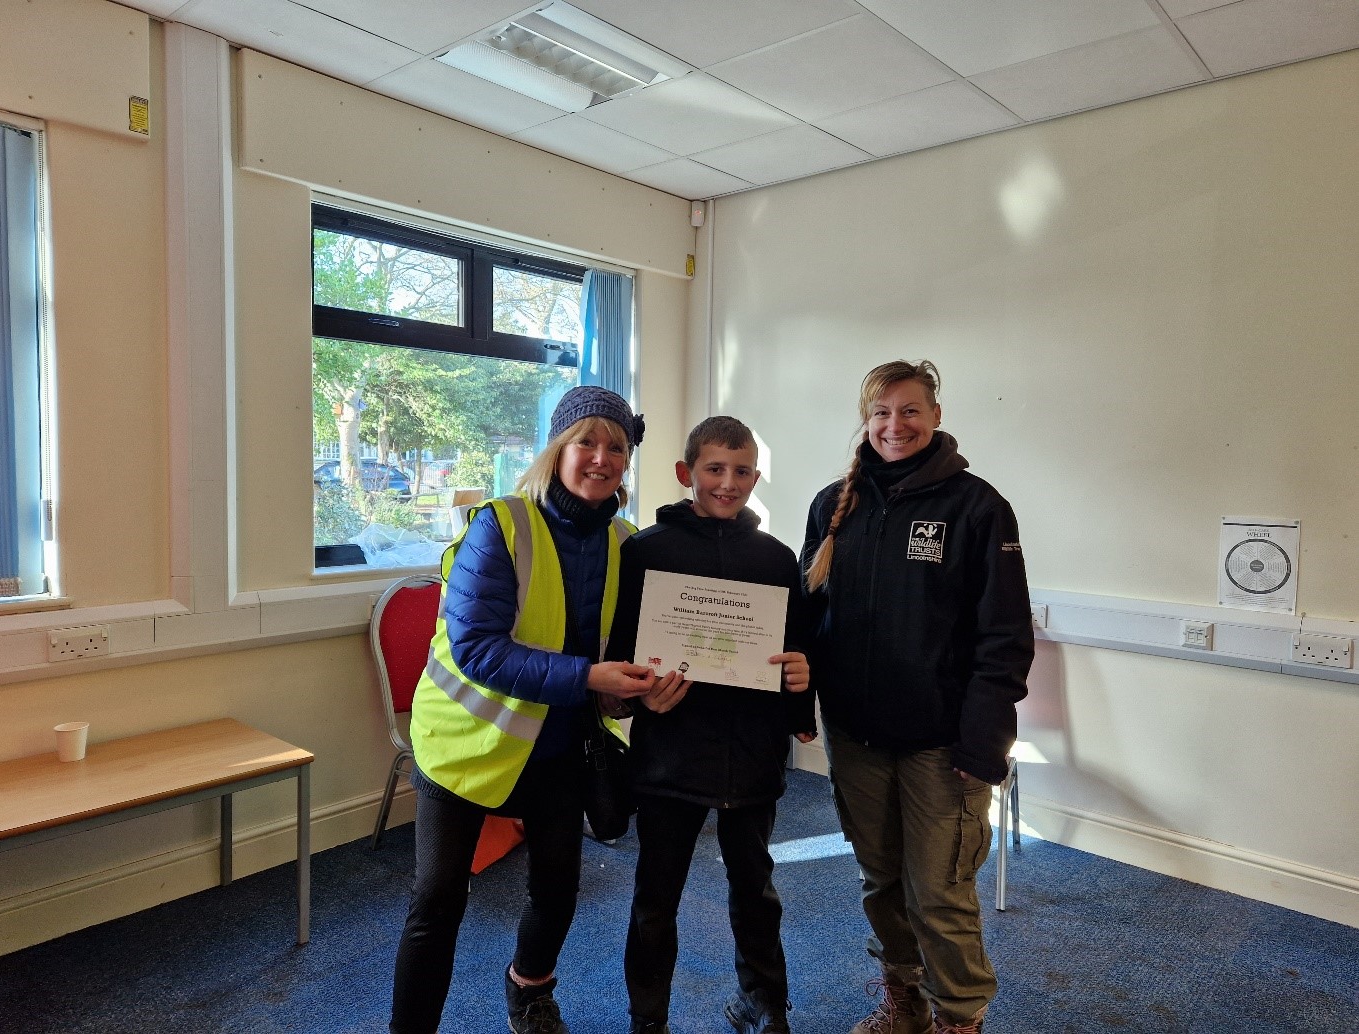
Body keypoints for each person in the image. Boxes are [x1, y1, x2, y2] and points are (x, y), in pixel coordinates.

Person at [390, 385, 676, 1034]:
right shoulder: (501, 525)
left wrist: (630, 690)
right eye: (585, 442)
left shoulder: (627, 543)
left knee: (556, 889)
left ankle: (529, 988)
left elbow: (620, 651)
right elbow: (477, 650)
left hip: (559, 748)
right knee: (436, 905)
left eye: (616, 447)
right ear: (556, 450)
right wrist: (591, 676)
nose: (600, 458)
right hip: (462, 744)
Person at [800, 361, 1034, 1034]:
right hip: (856, 735)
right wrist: (797, 704)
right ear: (865, 419)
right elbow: (807, 617)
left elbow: (1004, 636)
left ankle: (959, 1018)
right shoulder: (833, 504)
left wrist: (984, 741)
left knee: (938, 892)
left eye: (909, 410)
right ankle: (903, 1004)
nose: (894, 425)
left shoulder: (976, 507)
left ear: (935, 416)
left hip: (943, 743)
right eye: (880, 411)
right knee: (880, 880)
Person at [607, 416, 816, 1034]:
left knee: (756, 891)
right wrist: (641, 699)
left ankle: (766, 1005)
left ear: (756, 476)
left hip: (752, 753)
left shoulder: (777, 559)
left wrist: (801, 695)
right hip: (670, 754)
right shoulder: (645, 552)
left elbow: (795, 649)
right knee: (655, 897)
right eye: (714, 469)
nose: (728, 483)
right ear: (686, 472)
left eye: (742, 471)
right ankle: (648, 1018)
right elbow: (623, 652)